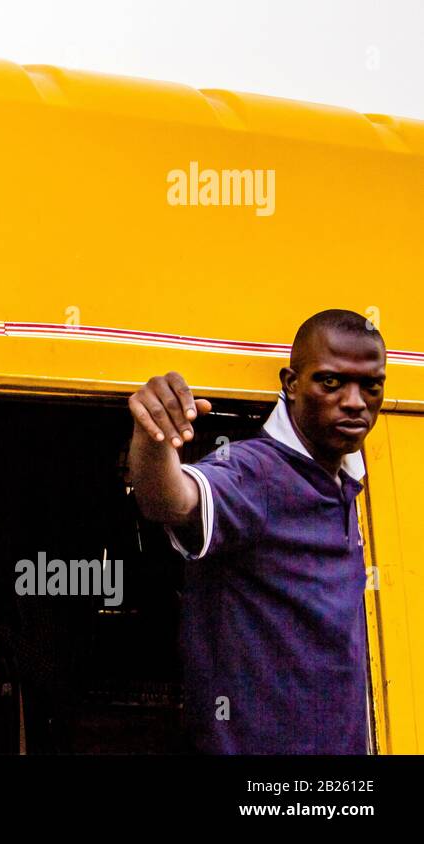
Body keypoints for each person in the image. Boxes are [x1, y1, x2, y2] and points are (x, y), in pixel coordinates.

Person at [127, 309, 384, 754]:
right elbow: (172, 500)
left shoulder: (348, 480)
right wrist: (154, 438)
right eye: (331, 382)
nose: (355, 401)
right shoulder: (256, 471)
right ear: (291, 383)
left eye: (371, 385)